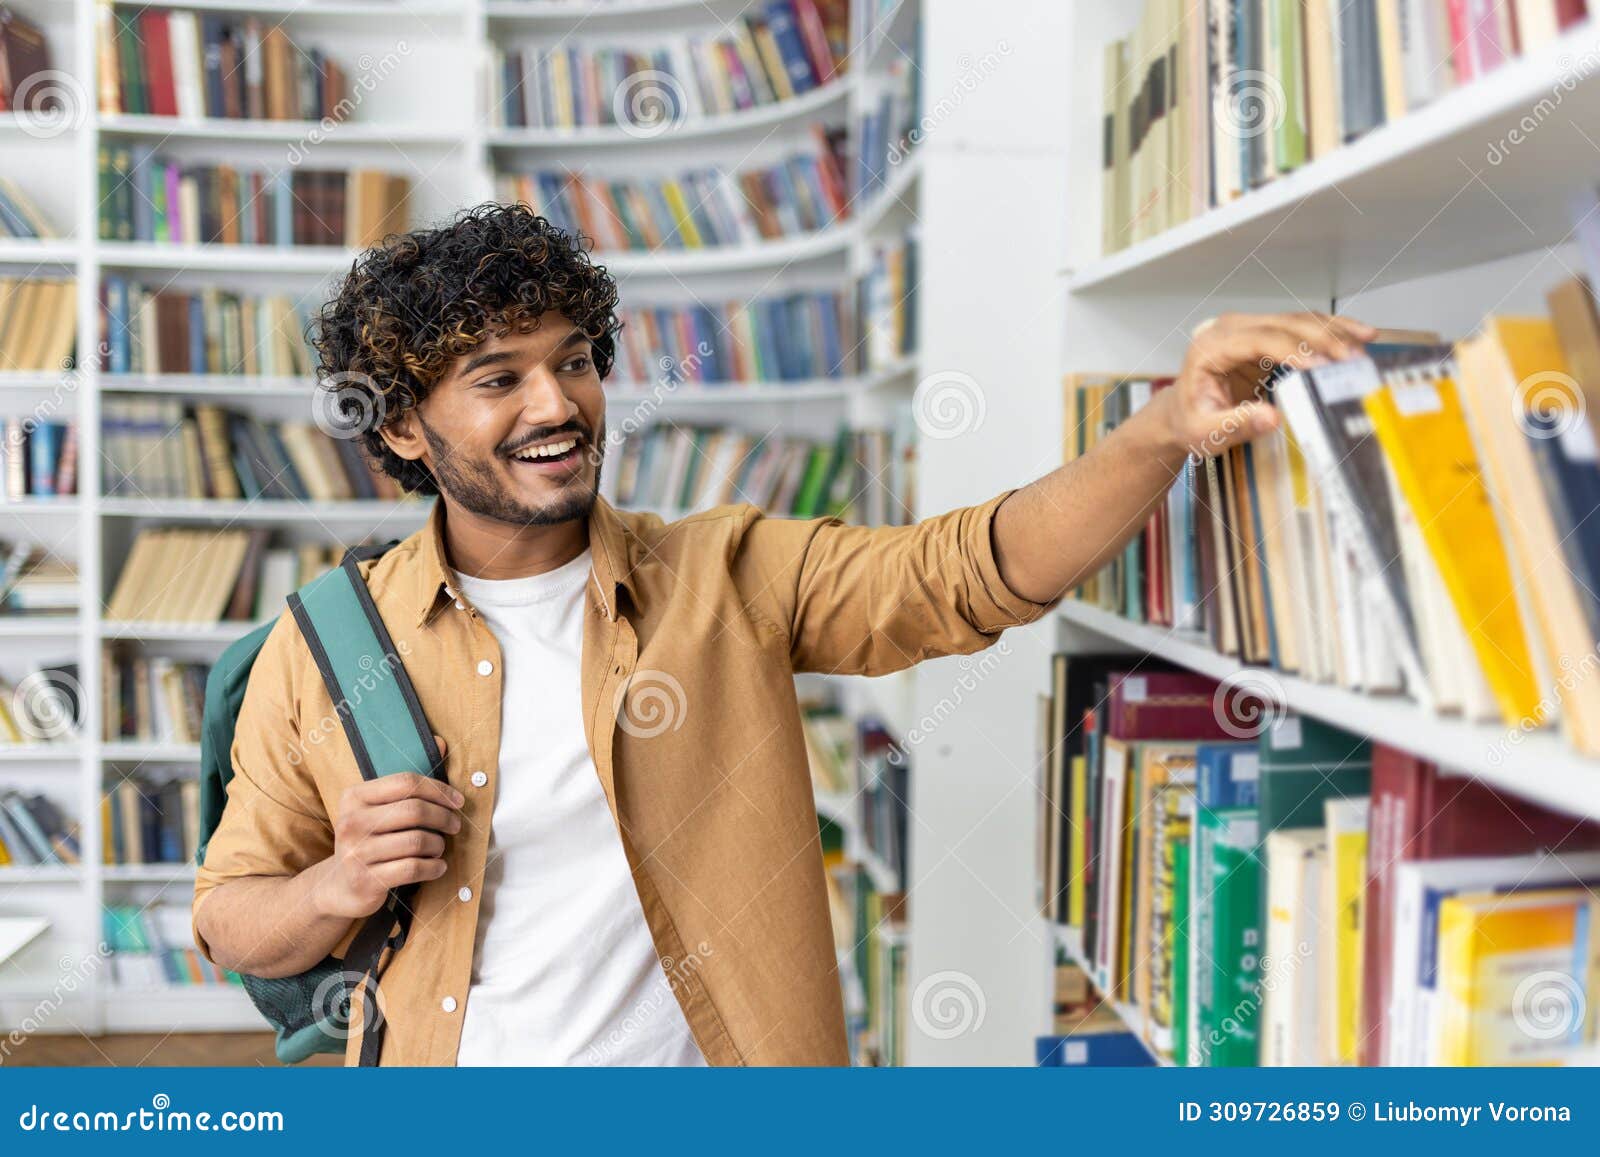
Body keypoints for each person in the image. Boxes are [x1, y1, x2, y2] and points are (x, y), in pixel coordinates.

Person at [192, 203, 1374, 1066]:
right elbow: (232, 913)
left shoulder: (727, 571)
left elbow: (974, 570)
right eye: (496, 379)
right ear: (402, 428)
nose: (555, 405)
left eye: (572, 363)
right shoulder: (327, 643)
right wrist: (339, 880)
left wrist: (1162, 427)